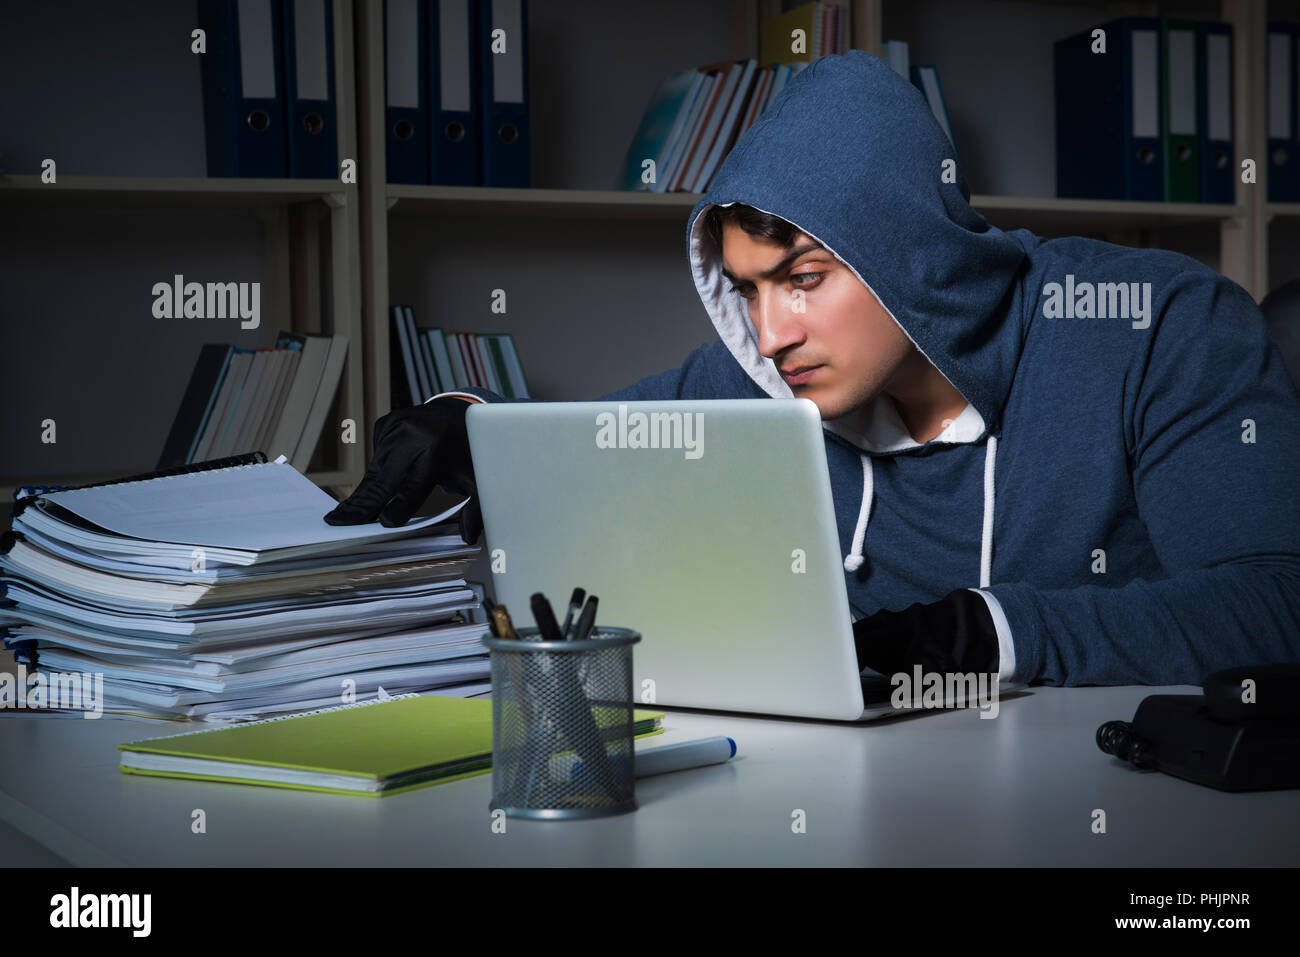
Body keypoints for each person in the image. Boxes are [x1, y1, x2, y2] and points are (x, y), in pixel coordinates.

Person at [325, 50, 1300, 687]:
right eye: (745, 288)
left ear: (906, 247)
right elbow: (582, 446)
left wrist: (981, 635)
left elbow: (1275, 600)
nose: (771, 330)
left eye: (802, 277)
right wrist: (465, 425)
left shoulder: (1159, 327)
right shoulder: (760, 379)